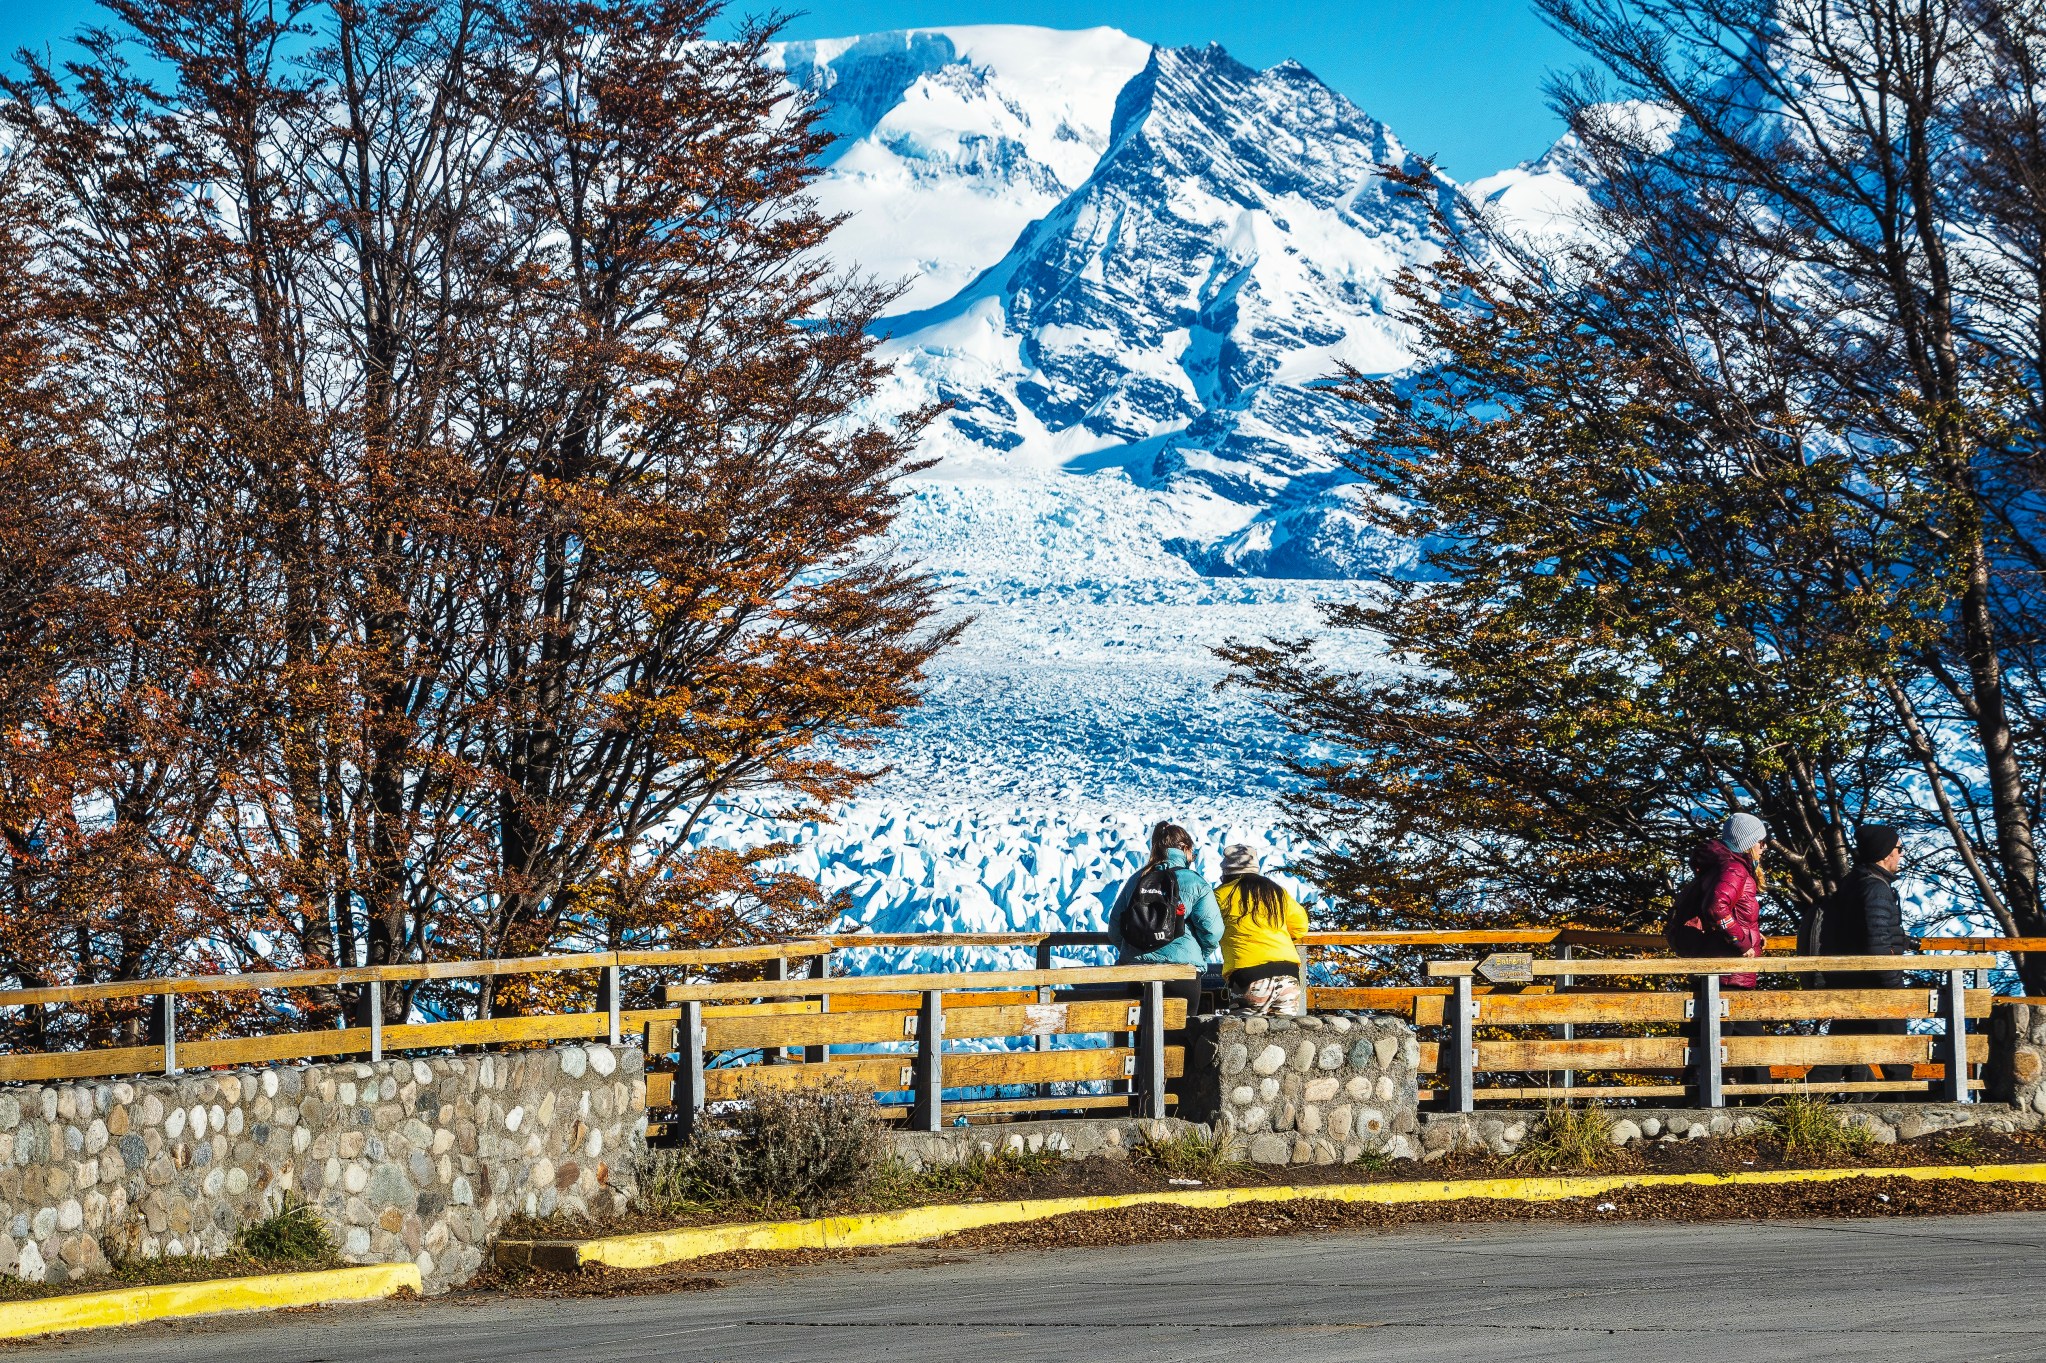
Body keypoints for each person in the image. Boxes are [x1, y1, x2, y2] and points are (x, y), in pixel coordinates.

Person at [1668, 812, 1770, 1089]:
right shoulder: (1735, 870)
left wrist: (1752, 936)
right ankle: (1762, 1105)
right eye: (1761, 841)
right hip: (1729, 972)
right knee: (1747, 1045)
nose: (1764, 847)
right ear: (1749, 842)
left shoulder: (1722, 867)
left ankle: (1700, 1099)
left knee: (1720, 1039)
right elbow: (1716, 908)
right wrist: (1743, 942)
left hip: (1723, 971)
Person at [1813, 824, 1914, 1085]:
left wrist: (1904, 941)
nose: (1901, 855)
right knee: (1898, 1061)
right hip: (1877, 987)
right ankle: (1911, 1110)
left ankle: (1803, 1100)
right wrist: (1894, 985)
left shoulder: (1857, 882)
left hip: (1855, 982)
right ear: (1885, 853)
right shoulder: (1875, 889)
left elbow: (1870, 929)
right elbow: (1876, 943)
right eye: (1899, 849)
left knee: (1838, 1055)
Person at [1108, 821, 1223, 1029]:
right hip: (1182, 973)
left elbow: (1115, 927)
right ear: (1186, 849)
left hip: (1137, 973)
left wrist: (1135, 951)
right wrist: (1199, 954)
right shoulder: (1194, 881)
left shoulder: (1137, 880)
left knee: (1142, 1041)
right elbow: (1213, 930)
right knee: (1180, 1037)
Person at [1214, 844, 1310, 1015]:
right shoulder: (1276, 891)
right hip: (1288, 976)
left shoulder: (1221, 895)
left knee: (1245, 1036)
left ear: (1225, 871)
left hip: (1249, 977)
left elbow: (1208, 927)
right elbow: (1301, 927)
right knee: (1284, 1036)